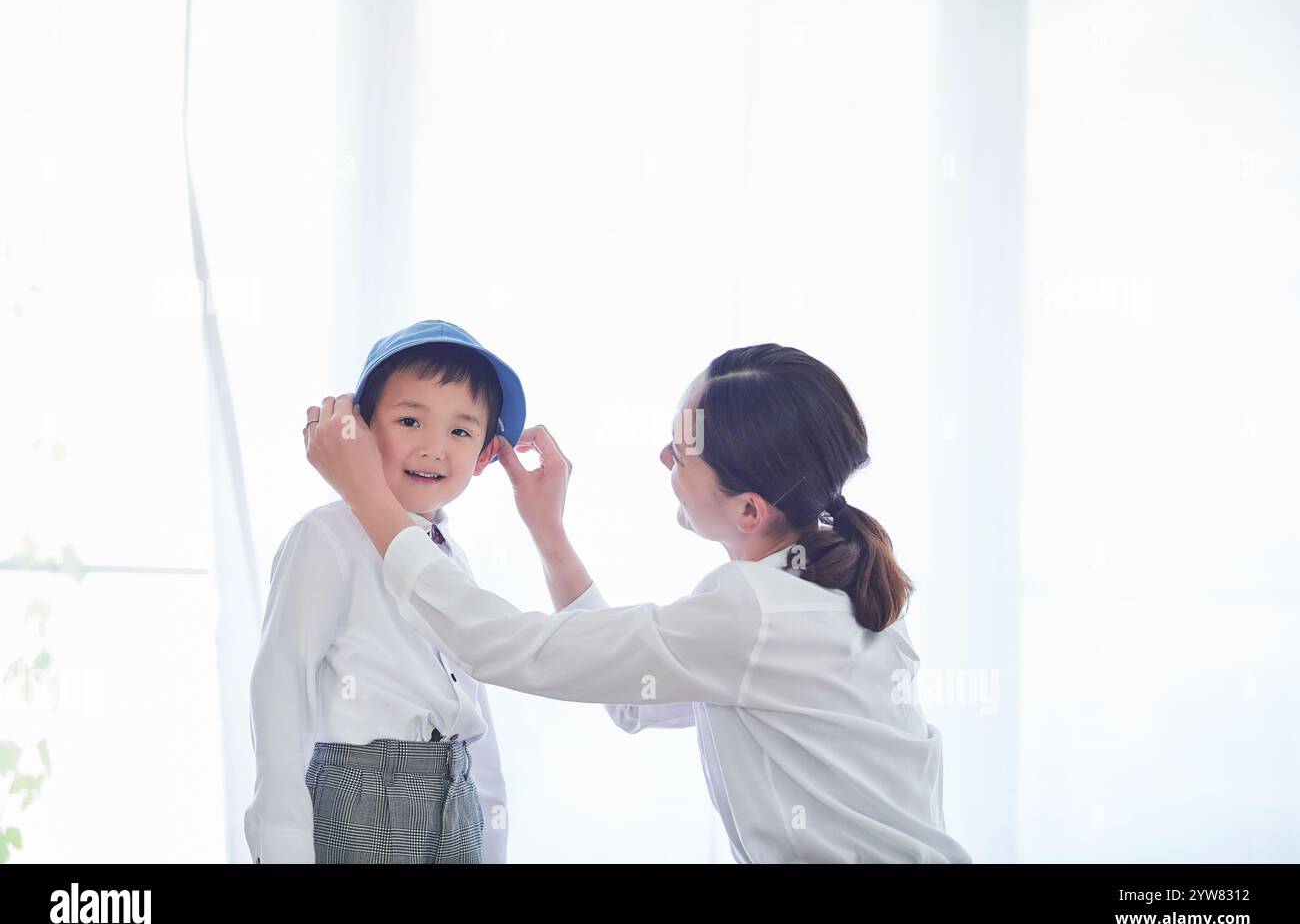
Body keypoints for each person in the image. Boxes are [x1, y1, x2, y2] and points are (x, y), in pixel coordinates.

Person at [304, 342, 972, 863]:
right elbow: (636, 696)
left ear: (747, 509)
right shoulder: (828, 585)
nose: (661, 457)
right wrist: (549, 533)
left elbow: (495, 647)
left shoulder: (758, 610)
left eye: (681, 453)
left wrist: (369, 497)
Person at [246, 320, 526, 863]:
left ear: (487, 454)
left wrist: (492, 843)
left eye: (461, 432)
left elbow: (478, 715)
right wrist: (281, 848)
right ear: (362, 428)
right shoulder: (327, 536)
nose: (433, 448)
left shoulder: (449, 555)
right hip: (364, 800)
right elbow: (280, 687)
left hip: (455, 796)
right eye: (409, 420)